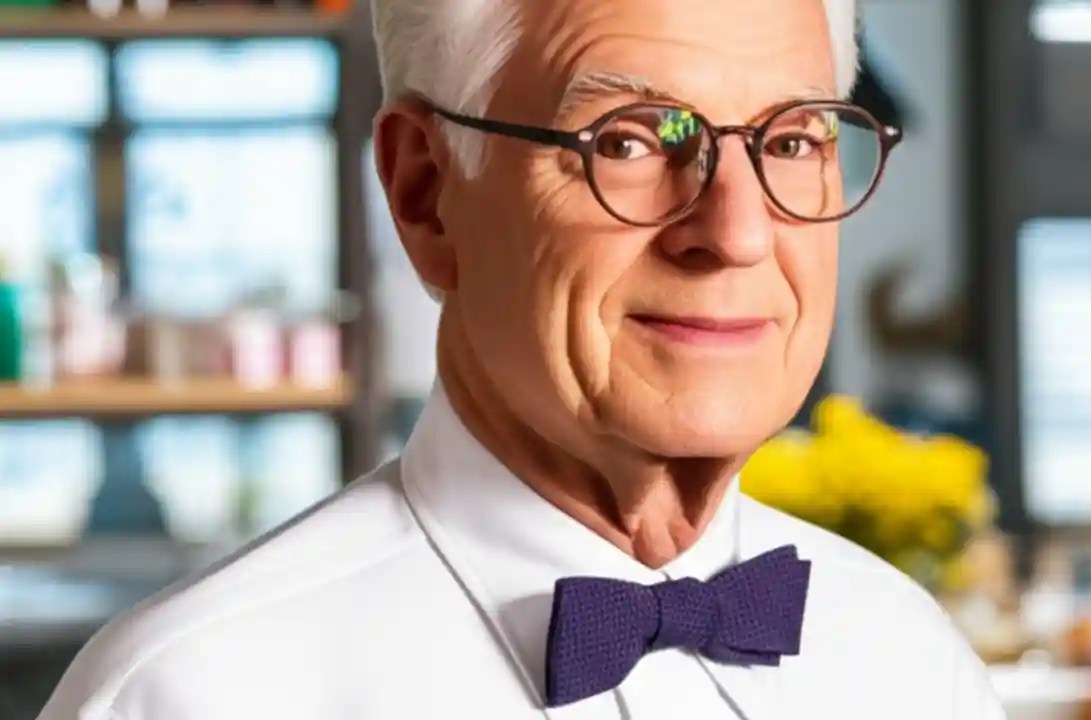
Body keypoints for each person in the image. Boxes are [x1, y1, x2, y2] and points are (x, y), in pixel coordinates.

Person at [39, 0, 1004, 717]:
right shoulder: (188, 694)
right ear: (425, 193)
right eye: (630, 140)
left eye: (791, 141)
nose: (738, 233)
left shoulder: (913, 664)